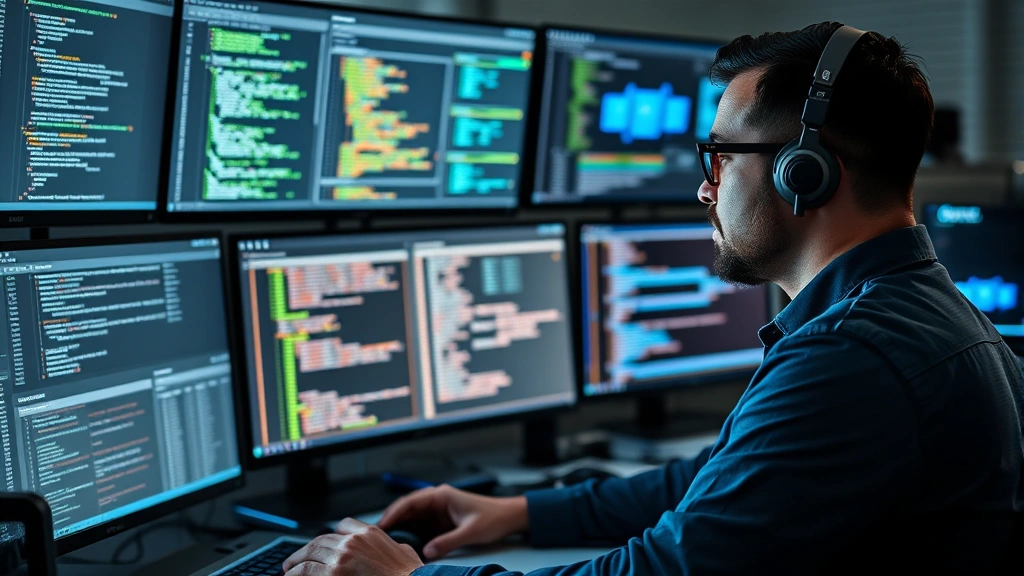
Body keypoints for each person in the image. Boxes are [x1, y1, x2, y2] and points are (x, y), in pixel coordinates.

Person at [281, 21, 1024, 576]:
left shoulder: (853, 355)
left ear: (805, 172)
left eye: (719, 157)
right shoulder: (923, 312)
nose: (704, 189)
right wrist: (523, 511)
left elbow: (667, 570)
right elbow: (726, 474)